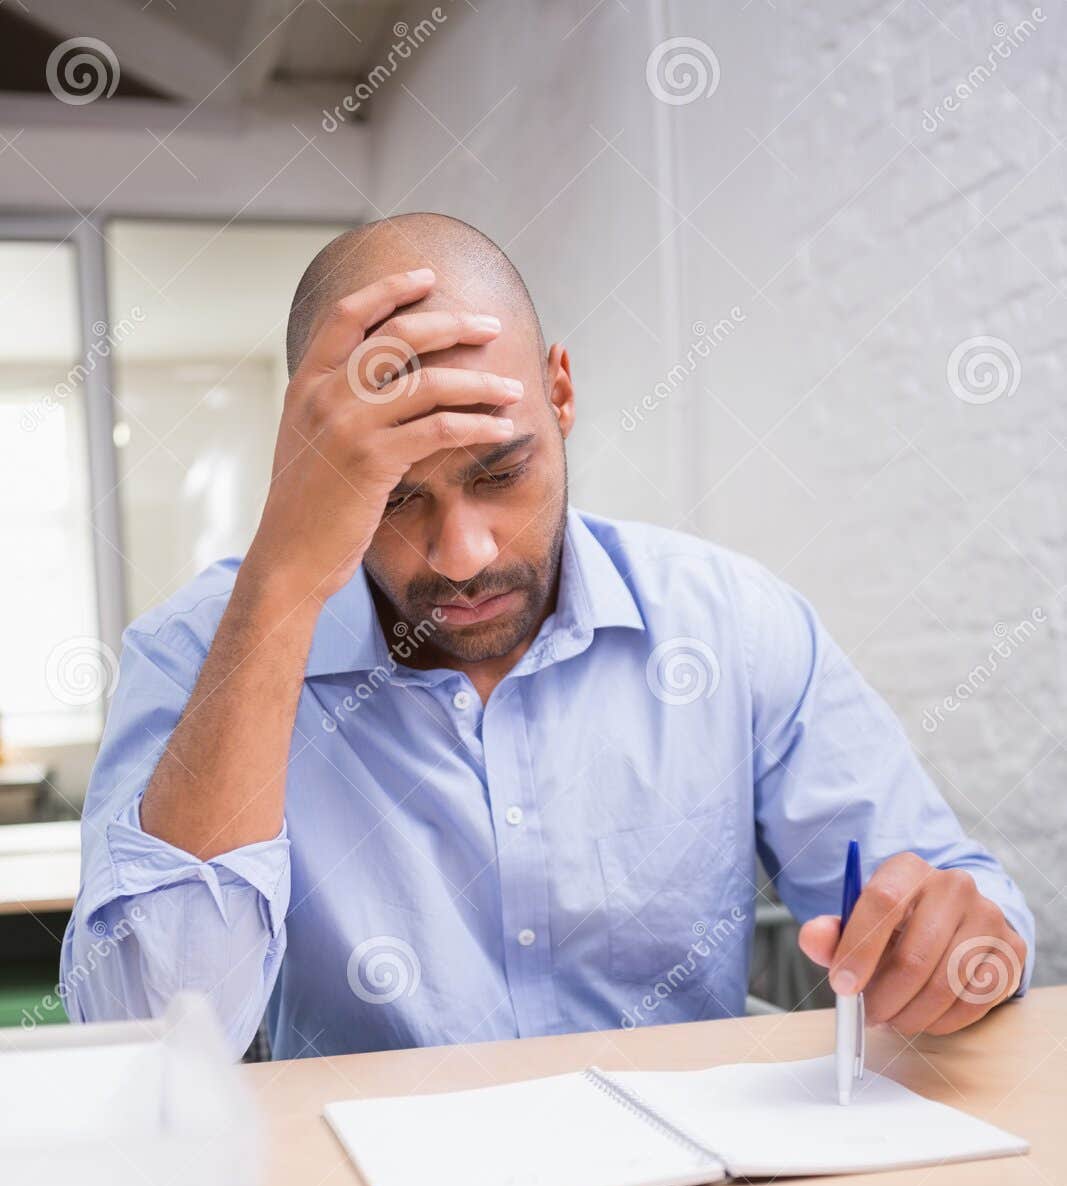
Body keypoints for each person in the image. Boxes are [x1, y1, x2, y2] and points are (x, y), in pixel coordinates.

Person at [61, 213, 1033, 1059]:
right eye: (393, 498)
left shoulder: (729, 625)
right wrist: (281, 579)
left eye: (499, 474)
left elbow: (957, 904)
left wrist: (958, 949)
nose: (460, 553)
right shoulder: (198, 654)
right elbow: (147, 1032)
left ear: (560, 395)